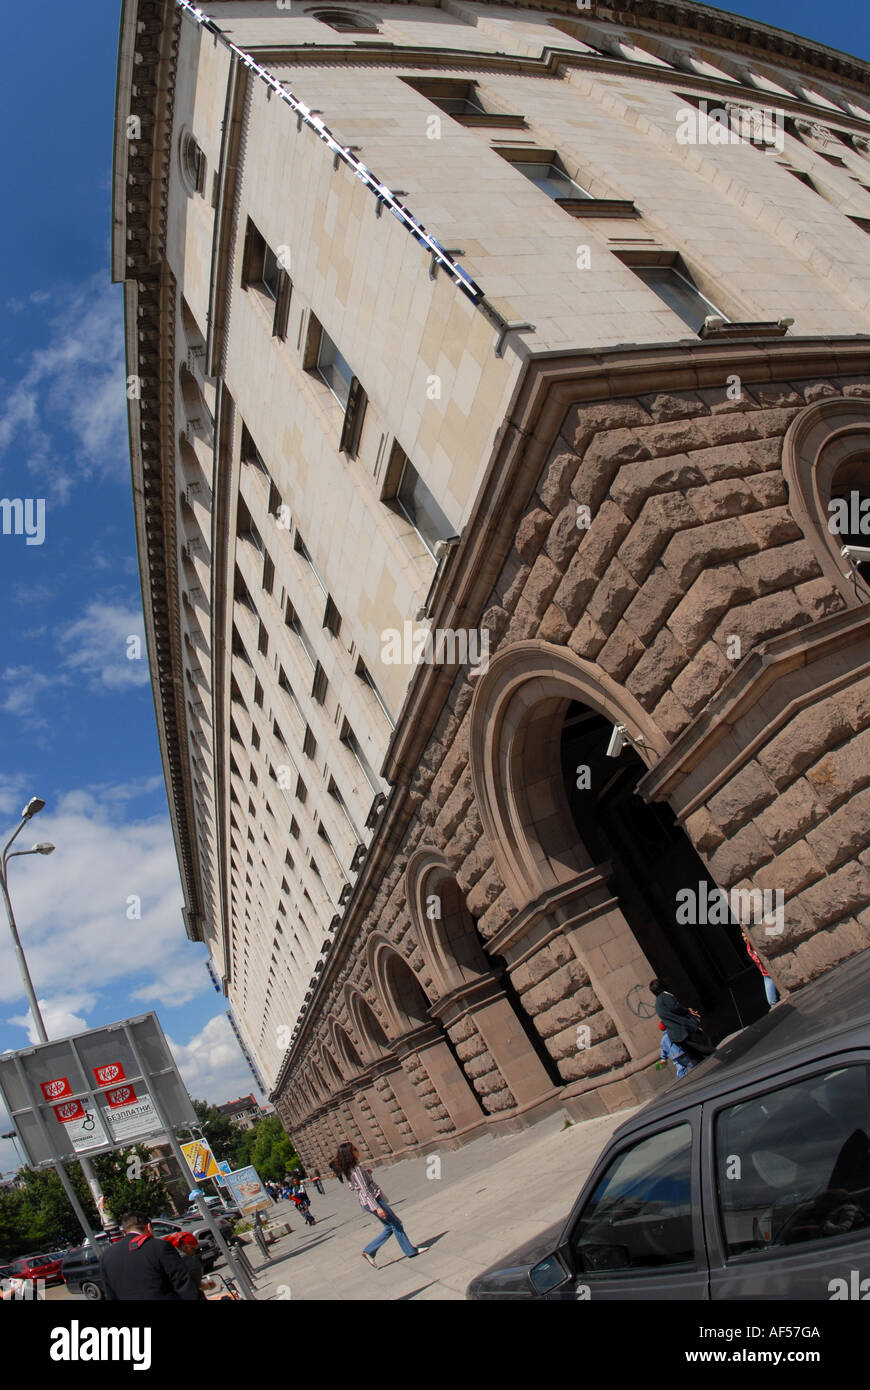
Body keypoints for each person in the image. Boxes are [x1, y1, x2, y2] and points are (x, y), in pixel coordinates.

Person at [333, 1141, 428, 1268]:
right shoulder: (356, 1170)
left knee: (389, 1227)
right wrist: (377, 1208)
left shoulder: (350, 1171)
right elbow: (366, 1190)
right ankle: (410, 1251)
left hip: (366, 1202)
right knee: (396, 1224)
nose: (357, 1150)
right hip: (373, 1200)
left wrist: (366, 1174)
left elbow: (352, 1186)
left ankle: (369, 1251)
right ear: (350, 1154)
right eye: (354, 1149)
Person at [100, 1211, 203, 1301]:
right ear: (149, 1227)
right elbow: (183, 1284)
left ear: (125, 1231)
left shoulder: (106, 1257)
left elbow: (110, 1295)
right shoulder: (159, 1247)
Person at [649, 979, 714, 1064]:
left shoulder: (657, 1003)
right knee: (705, 1046)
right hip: (685, 1030)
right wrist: (687, 1010)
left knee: (694, 1056)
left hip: (676, 1036)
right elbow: (675, 1008)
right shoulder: (665, 996)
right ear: (662, 986)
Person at [742, 930, 780, 1007]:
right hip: (766, 974)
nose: (745, 939)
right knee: (771, 1002)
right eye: (743, 937)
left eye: (746, 936)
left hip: (773, 969)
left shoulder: (758, 943)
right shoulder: (749, 948)